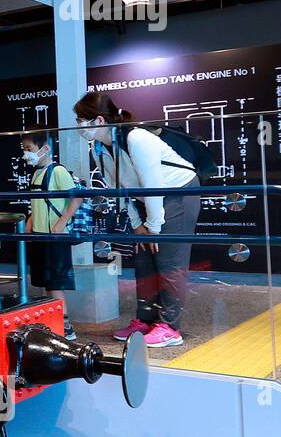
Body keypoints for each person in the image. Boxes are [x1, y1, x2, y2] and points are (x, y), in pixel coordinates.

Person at [73, 92, 199, 347]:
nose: (77, 125)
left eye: (80, 119)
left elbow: (155, 186)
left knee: (168, 260)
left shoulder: (137, 139)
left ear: (98, 120)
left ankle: (170, 327)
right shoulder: (100, 148)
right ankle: (145, 320)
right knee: (143, 259)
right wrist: (137, 226)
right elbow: (118, 191)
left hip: (178, 193)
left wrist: (153, 228)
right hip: (145, 200)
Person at [21, 131, 83, 340]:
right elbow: (36, 201)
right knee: (47, 281)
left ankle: (65, 325)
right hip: (41, 235)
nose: (26, 154)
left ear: (44, 148)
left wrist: (62, 222)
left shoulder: (58, 171)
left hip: (55, 236)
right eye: (25, 149)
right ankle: (54, 321)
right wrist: (30, 222)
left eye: (29, 149)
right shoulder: (37, 172)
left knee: (56, 282)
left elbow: (77, 198)